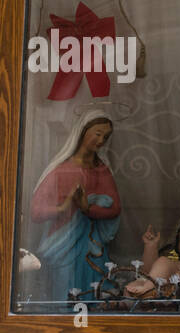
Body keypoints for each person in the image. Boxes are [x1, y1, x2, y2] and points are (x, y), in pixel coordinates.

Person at [28, 110, 122, 300]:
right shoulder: (61, 170)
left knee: (92, 286)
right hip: (63, 241)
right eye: (97, 133)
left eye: (106, 136)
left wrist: (88, 208)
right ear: (82, 131)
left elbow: (115, 208)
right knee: (64, 288)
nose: (101, 140)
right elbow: (36, 212)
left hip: (90, 242)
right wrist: (64, 208)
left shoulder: (101, 170)